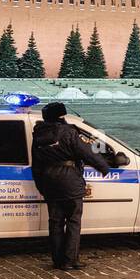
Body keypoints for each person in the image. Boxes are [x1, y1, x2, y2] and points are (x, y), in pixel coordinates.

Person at [30, 101, 114, 270]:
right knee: (74, 221)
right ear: (61, 116)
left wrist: (41, 186)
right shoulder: (69, 132)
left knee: (55, 223)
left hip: (49, 183)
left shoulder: (38, 136)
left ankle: (57, 260)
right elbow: (87, 153)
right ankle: (70, 260)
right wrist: (104, 167)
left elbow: (36, 165)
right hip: (70, 182)